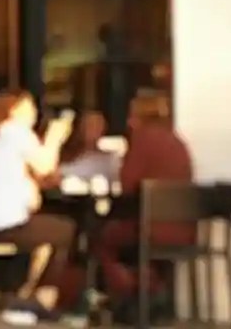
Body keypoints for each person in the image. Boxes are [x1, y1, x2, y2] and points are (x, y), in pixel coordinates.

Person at [0, 89, 76, 325]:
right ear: (14, 110)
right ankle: (35, 300)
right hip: (6, 219)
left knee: (45, 238)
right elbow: (45, 166)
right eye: (29, 108)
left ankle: (24, 296)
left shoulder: (1, 136)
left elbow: (39, 175)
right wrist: (55, 138)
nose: (34, 114)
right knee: (66, 230)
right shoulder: (16, 133)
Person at [92, 92, 193, 322]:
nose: (128, 121)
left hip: (152, 228)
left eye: (132, 115)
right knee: (122, 236)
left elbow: (127, 184)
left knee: (99, 235)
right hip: (184, 229)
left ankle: (133, 292)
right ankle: (148, 288)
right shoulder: (177, 141)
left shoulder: (143, 139)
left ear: (139, 116)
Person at [59, 111, 119, 181]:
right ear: (82, 128)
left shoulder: (110, 160)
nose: (95, 130)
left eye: (99, 126)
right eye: (91, 125)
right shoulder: (67, 156)